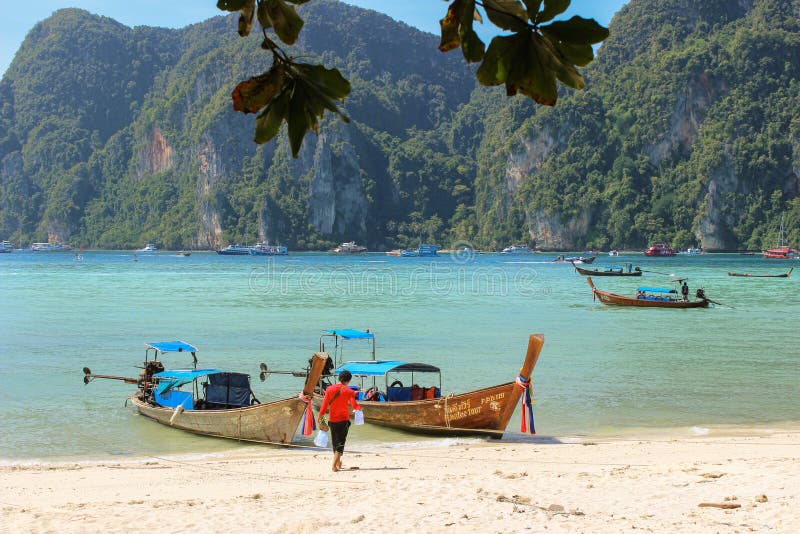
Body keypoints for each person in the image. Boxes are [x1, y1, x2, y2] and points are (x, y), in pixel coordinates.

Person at [318, 370, 361, 472]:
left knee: (335, 443)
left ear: (339, 378)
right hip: (343, 420)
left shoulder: (329, 389)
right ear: (348, 381)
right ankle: (334, 465)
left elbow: (323, 408)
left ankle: (338, 463)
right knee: (341, 443)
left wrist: (321, 420)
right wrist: (360, 409)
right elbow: (354, 406)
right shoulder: (349, 391)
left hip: (332, 420)